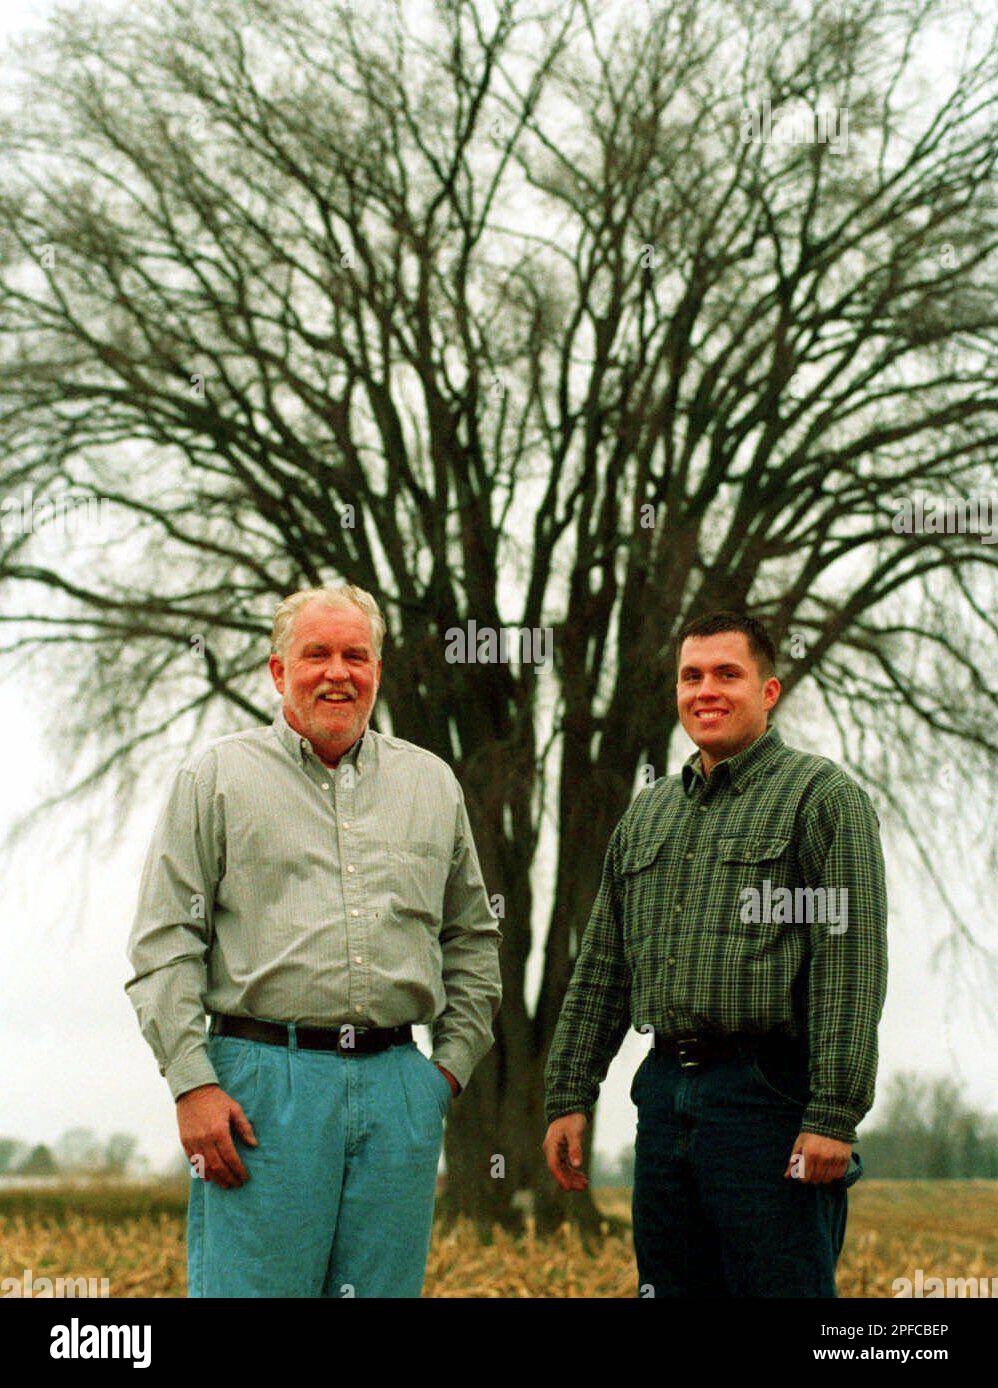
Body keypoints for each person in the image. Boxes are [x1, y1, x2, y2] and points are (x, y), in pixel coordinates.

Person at [126, 583, 502, 1297]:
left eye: (356, 655)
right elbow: (164, 940)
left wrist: (442, 1075)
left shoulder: (432, 785)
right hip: (260, 1085)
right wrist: (193, 1081)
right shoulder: (216, 779)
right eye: (317, 654)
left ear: (378, 671)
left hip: (400, 1084)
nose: (339, 671)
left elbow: (473, 941)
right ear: (278, 672)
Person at [543, 611, 888, 1296]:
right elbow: (603, 969)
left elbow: (850, 966)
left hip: (770, 1100)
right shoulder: (646, 816)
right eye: (690, 676)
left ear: (769, 690)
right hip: (665, 1094)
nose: (706, 690)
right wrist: (568, 1091)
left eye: (728, 674)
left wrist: (833, 1113)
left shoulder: (822, 799)